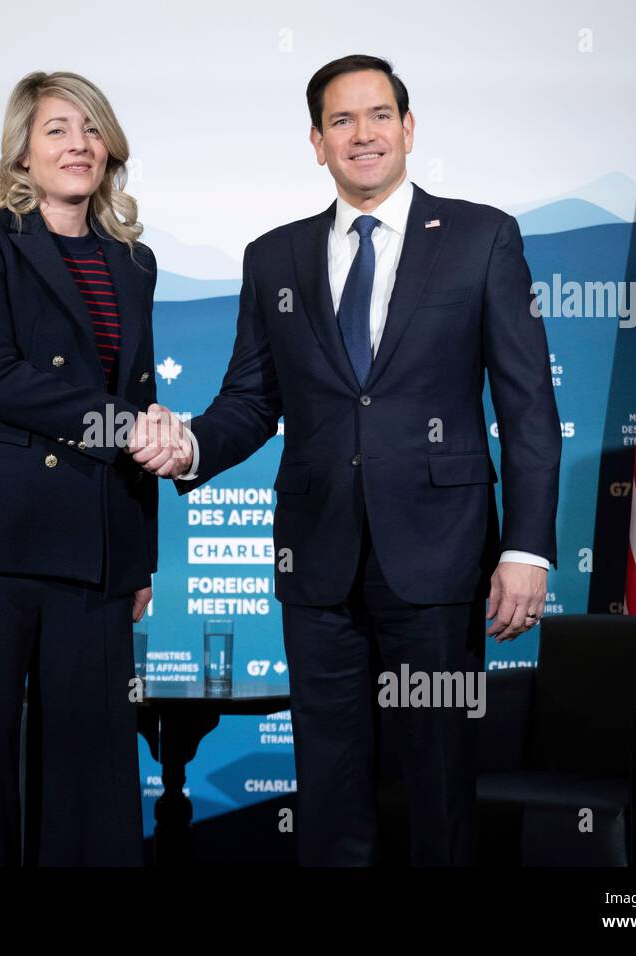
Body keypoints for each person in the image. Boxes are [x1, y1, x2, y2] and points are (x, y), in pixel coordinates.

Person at [133, 55, 561, 865]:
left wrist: (527, 547)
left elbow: (529, 407)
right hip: (317, 561)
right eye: (341, 120)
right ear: (316, 142)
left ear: (407, 127)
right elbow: (253, 400)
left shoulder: (481, 237)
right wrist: (189, 444)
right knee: (327, 792)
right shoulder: (275, 257)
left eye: (377, 116)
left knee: (438, 784)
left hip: (442, 559)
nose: (361, 134)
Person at [0, 70, 167, 866]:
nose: (77, 145)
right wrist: (125, 426)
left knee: (93, 767)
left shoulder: (135, 259)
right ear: (23, 150)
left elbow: (143, 392)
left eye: (91, 129)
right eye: (56, 129)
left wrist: (140, 554)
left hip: (96, 546)